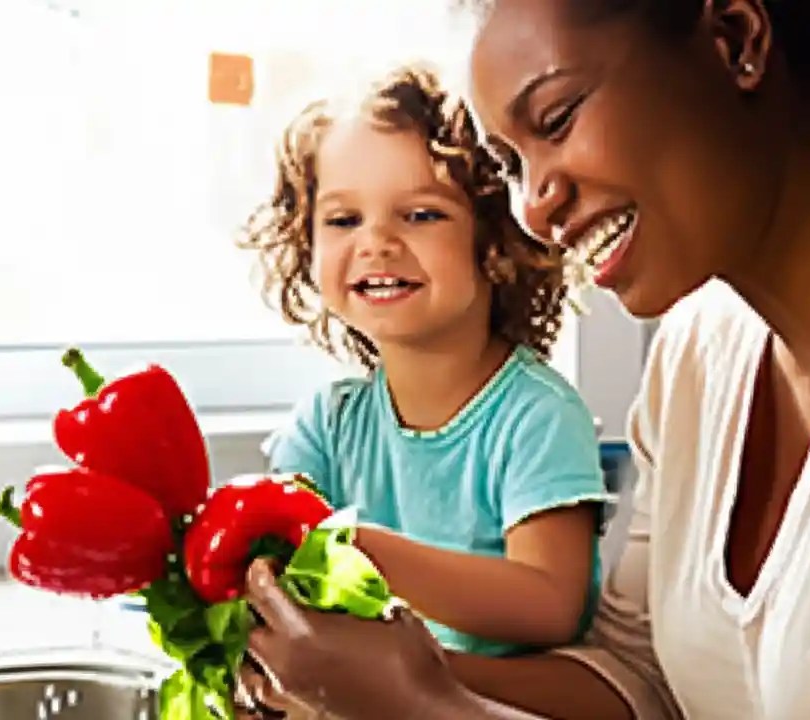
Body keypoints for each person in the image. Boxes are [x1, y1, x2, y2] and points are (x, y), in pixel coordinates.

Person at [235, 1, 810, 718]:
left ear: (735, 39)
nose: (536, 206)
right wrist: (384, 675)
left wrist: (425, 705)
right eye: (510, 161)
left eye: (558, 118)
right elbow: (637, 683)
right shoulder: (701, 343)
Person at [234, 62, 610, 714]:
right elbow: (277, 584)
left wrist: (360, 549)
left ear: (495, 244)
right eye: (344, 219)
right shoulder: (325, 427)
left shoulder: (537, 416)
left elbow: (551, 605)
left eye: (419, 214)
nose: (377, 242)